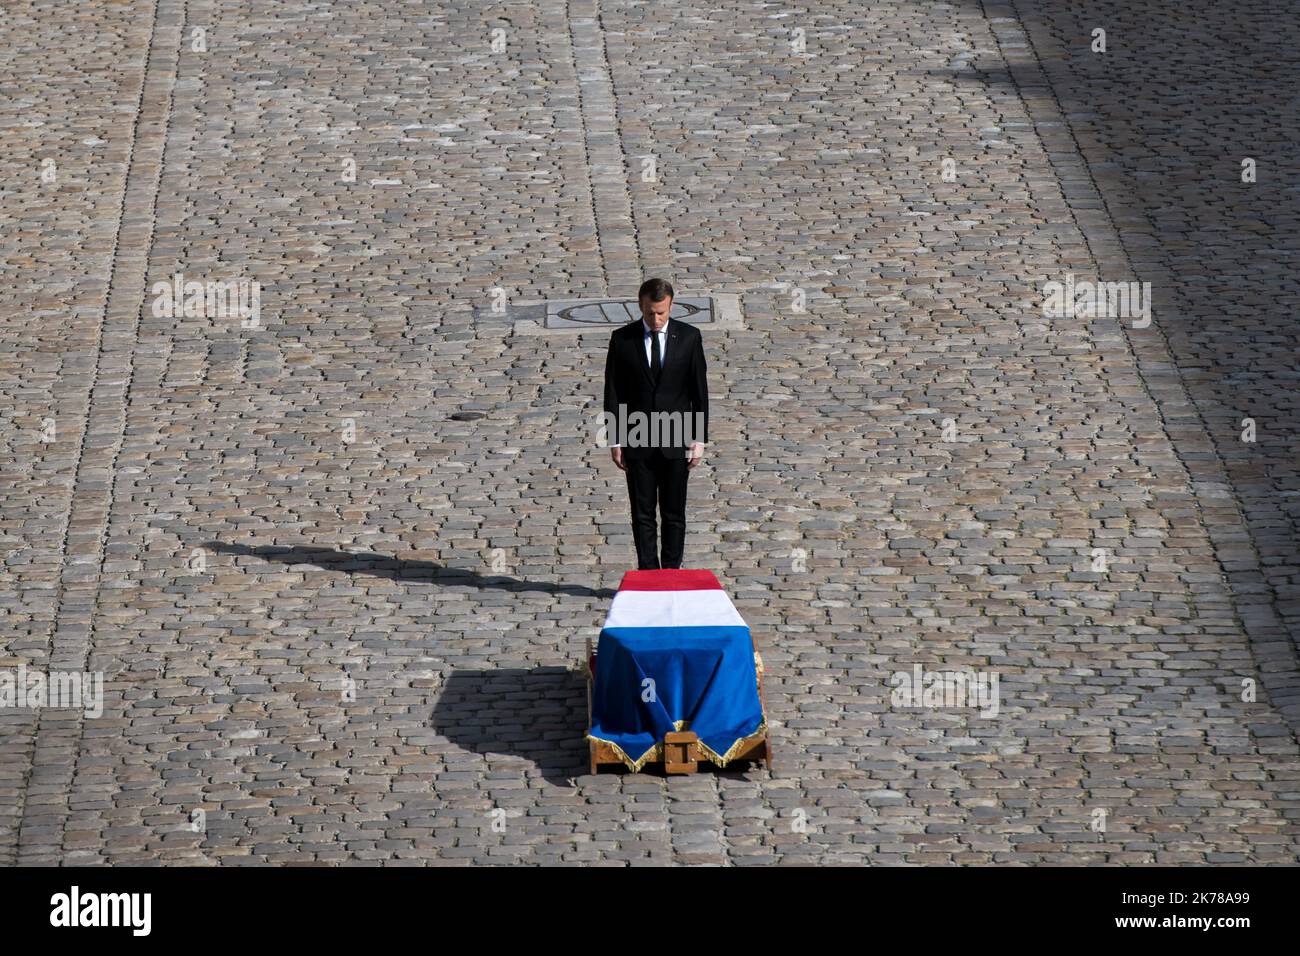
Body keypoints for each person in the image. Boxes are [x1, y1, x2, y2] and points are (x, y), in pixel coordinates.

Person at [603, 278, 709, 570]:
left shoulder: (689, 338)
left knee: (674, 513)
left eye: (661, 312)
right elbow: (613, 391)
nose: (656, 319)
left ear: (671, 306)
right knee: (642, 513)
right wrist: (615, 440)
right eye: (650, 313)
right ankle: (649, 573)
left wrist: (698, 439)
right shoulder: (623, 340)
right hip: (638, 439)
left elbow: (699, 392)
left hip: (676, 438)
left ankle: (672, 572)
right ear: (641, 307)